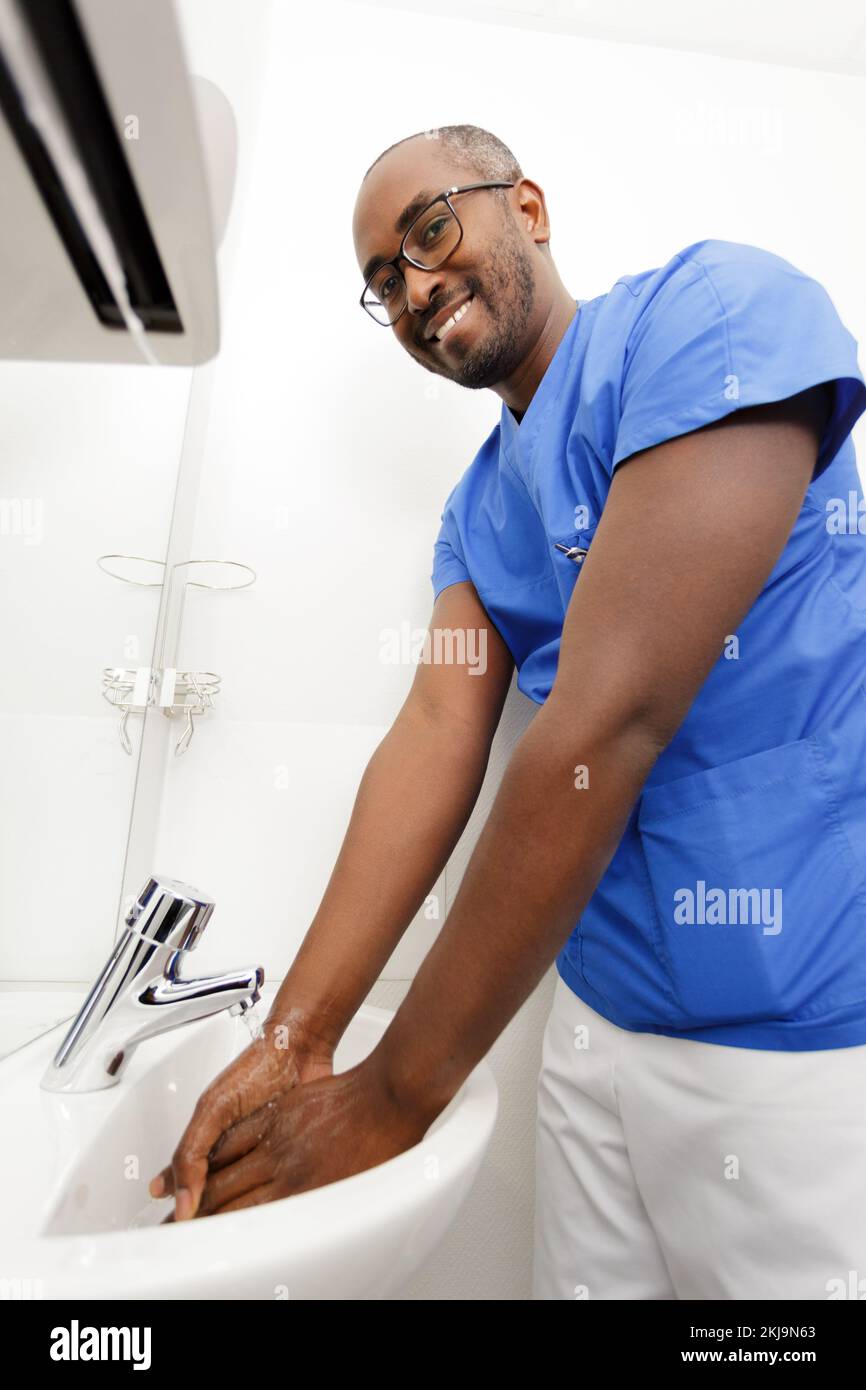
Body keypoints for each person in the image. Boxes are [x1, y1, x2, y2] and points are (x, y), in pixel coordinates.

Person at [150, 124, 866, 1300]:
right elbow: (433, 739)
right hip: (595, 1020)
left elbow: (607, 716)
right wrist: (295, 1037)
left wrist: (389, 1098)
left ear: (524, 206)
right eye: (383, 283)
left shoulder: (720, 314)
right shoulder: (477, 513)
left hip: (796, 1039)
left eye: (429, 230)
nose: (415, 287)